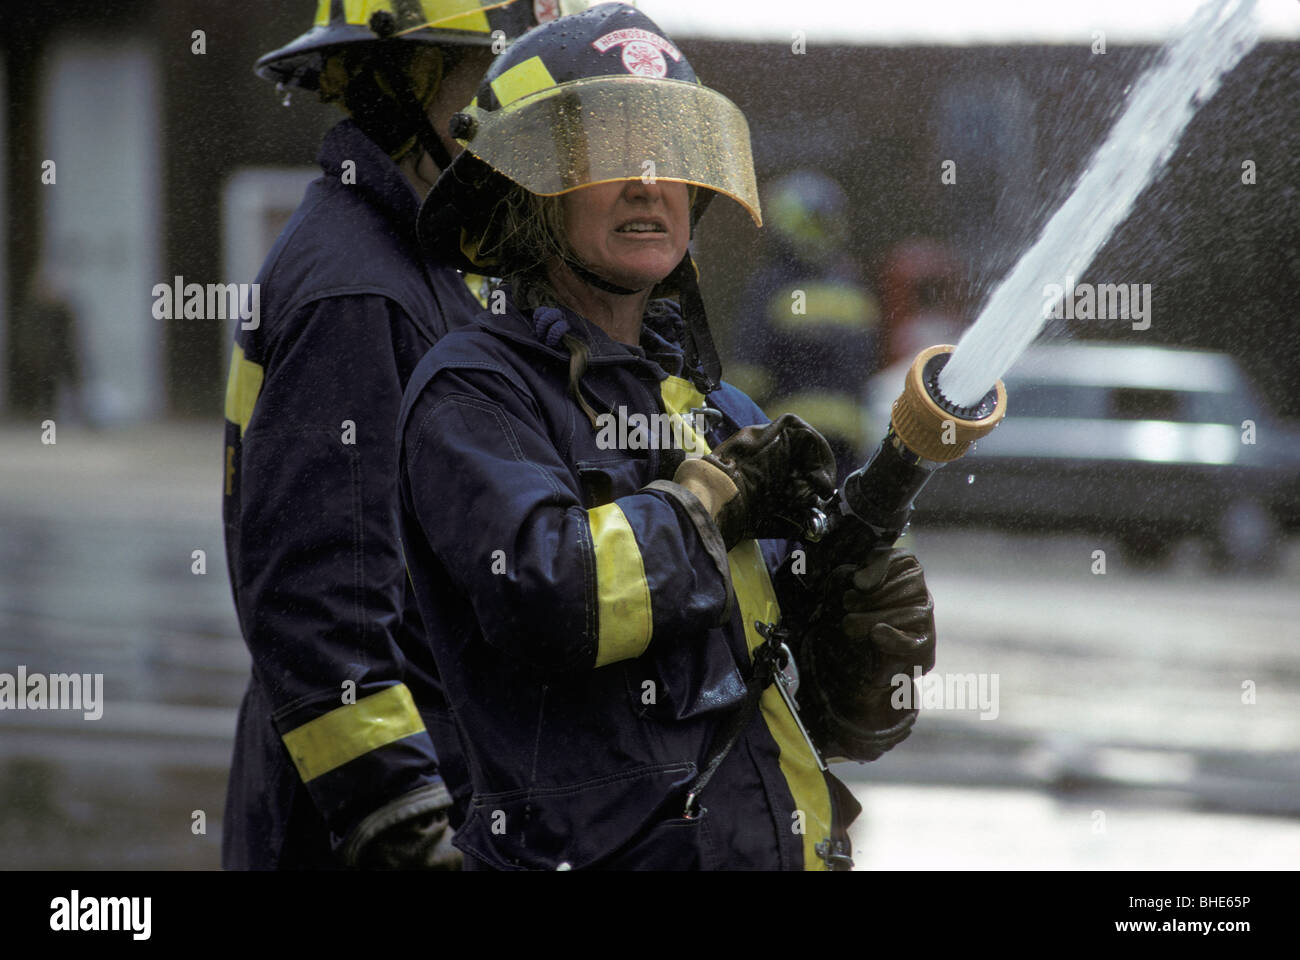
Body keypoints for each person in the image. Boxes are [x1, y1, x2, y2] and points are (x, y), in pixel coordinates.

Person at [396, 3, 937, 870]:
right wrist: (707, 504)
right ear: (527, 186)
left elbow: (832, 720)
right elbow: (553, 596)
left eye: (671, 152)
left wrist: (851, 597)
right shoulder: (476, 392)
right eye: (609, 150)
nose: (650, 181)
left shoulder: (722, 412)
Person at [221, 0, 559, 871]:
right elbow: (318, 613)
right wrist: (399, 822)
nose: (523, 119)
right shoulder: (360, 291)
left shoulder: (410, 258)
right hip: (346, 827)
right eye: (493, 84)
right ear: (403, 85)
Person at [729, 170, 883, 478]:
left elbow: (749, 373)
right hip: (850, 440)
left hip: (789, 438)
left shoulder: (772, 285)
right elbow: (867, 362)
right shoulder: (852, 284)